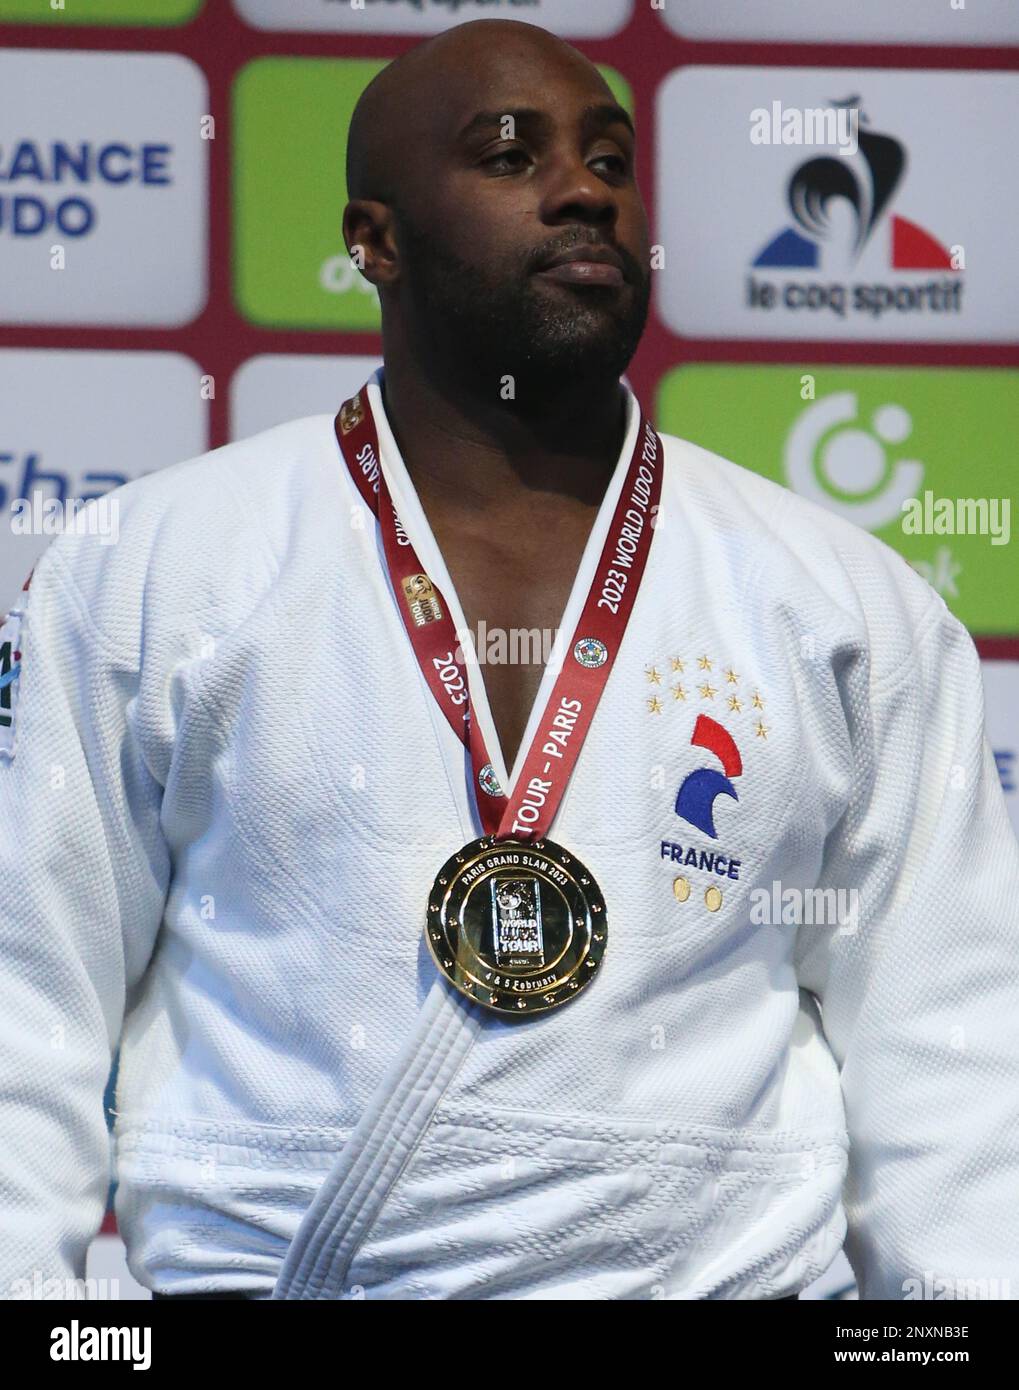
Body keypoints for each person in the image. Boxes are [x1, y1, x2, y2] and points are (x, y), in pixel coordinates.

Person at [1, 18, 1017, 1303]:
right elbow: (26, 996)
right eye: (507, 154)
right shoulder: (154, 565)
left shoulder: (837, 602)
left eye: (608, 157)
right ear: (374, 240)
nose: (585, 188)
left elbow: (948, 1048)